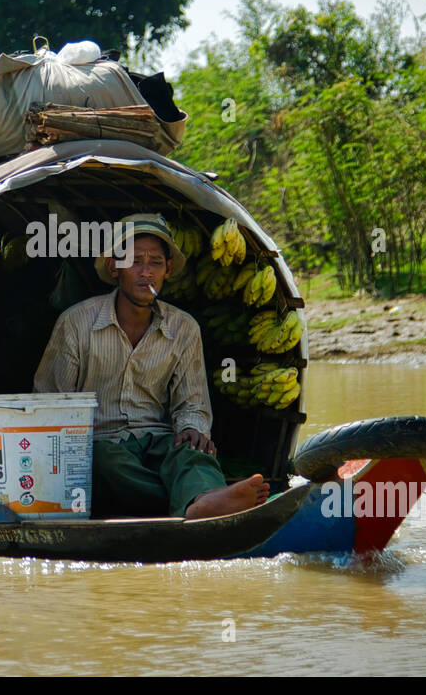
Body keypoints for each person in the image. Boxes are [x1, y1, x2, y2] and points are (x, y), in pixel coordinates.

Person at [33, 213, 270, 519]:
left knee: (193, 452)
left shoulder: (183, 328)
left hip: (159, 442)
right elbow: (51, 403)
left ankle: (201, 499)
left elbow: (192, 401)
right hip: (102, 442)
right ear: (114, 267)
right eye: (135, 262)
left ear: (167, 270)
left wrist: (192, 429)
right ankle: (194, 501)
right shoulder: (76, 323)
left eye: (156, 263)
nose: (146, 272)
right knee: (102, 461)